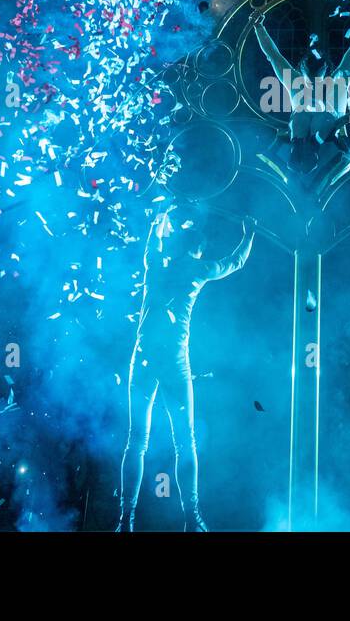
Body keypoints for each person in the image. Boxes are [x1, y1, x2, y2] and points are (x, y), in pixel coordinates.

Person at [117, 210, 256, 532]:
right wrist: (248, 234)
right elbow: (235, 262)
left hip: (143, 359)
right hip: (175, 363)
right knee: (186, 442)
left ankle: (126, 520)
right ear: (199, 250)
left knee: (136, 441)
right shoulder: (200, 269)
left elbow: (152, 245)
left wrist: (158, 219)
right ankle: (192, 519)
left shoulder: (157, 266)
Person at [253, 14, 350, 173]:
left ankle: (309, 148)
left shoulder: (337, 84)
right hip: (306, 153)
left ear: (325, 68)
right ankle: (304, 149)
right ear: (302, 67)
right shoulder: (297, 82)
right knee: (309, 118)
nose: (312, 67)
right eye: (310, 64)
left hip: (329, 156)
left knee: (319, 118)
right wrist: (258, 27)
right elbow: (272, 55)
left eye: (316, 64)